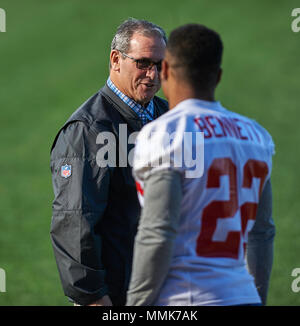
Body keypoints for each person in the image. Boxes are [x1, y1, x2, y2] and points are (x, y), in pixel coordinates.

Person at [126, 24, 275, 306]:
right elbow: (262, 232)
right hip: (243, 295)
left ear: (166, 71)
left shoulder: (165, 134)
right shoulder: (257, 136)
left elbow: (158, 232)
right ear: (217, 76)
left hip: (184, 299)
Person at [50, 18, 168, 306]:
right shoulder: (88, 130)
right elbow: (75, 221)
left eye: (159, 65)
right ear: (116, 59)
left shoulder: (170, 116)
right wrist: (92, 297)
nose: (152, 75)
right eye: (142, 63)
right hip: (116, 295)